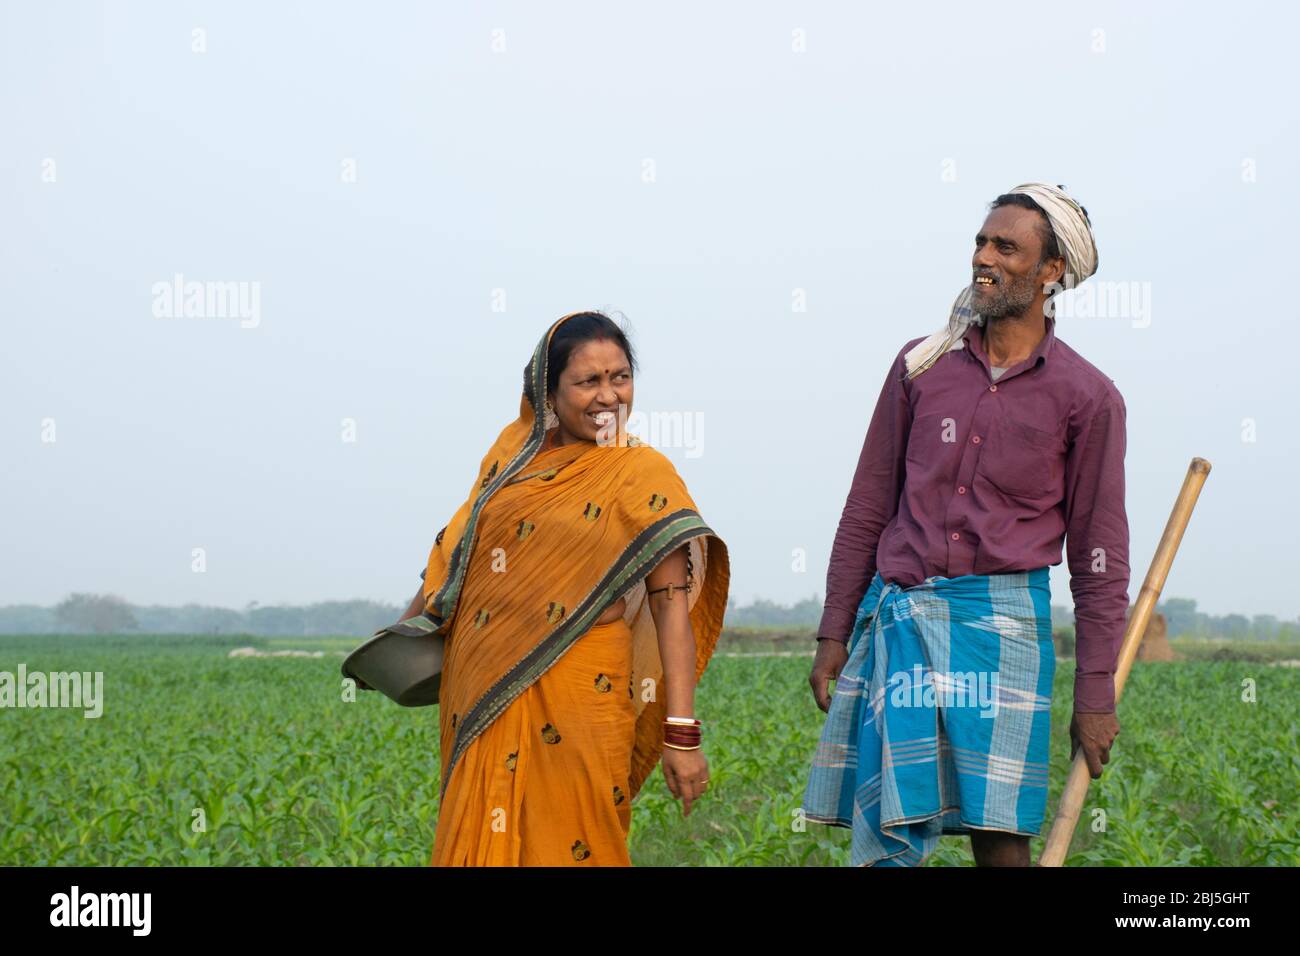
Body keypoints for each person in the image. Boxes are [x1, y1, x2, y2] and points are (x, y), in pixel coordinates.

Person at [803, 183, 1128, 867]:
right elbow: (868, 504)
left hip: (1003, 626)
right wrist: (835, 629)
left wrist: (1095, 693)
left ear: (1050, 272)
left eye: (1006, 247)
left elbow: (1099, 558)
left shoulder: (1087, 397)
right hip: (902, 617)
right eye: (981, 241)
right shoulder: (921, 366)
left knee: (1001, 836)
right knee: (890, 824)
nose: (984, 257)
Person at [402, 310, 729, 866]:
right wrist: (399, 637)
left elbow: (671, 608)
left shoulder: (641, 472)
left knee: (578, 840)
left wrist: (682, 733)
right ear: (548, 391)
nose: (609, 397)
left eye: (620, 377)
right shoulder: (511, 460)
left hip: (583, 687)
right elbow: (456, 556)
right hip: (482, 684)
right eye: (588, 381)